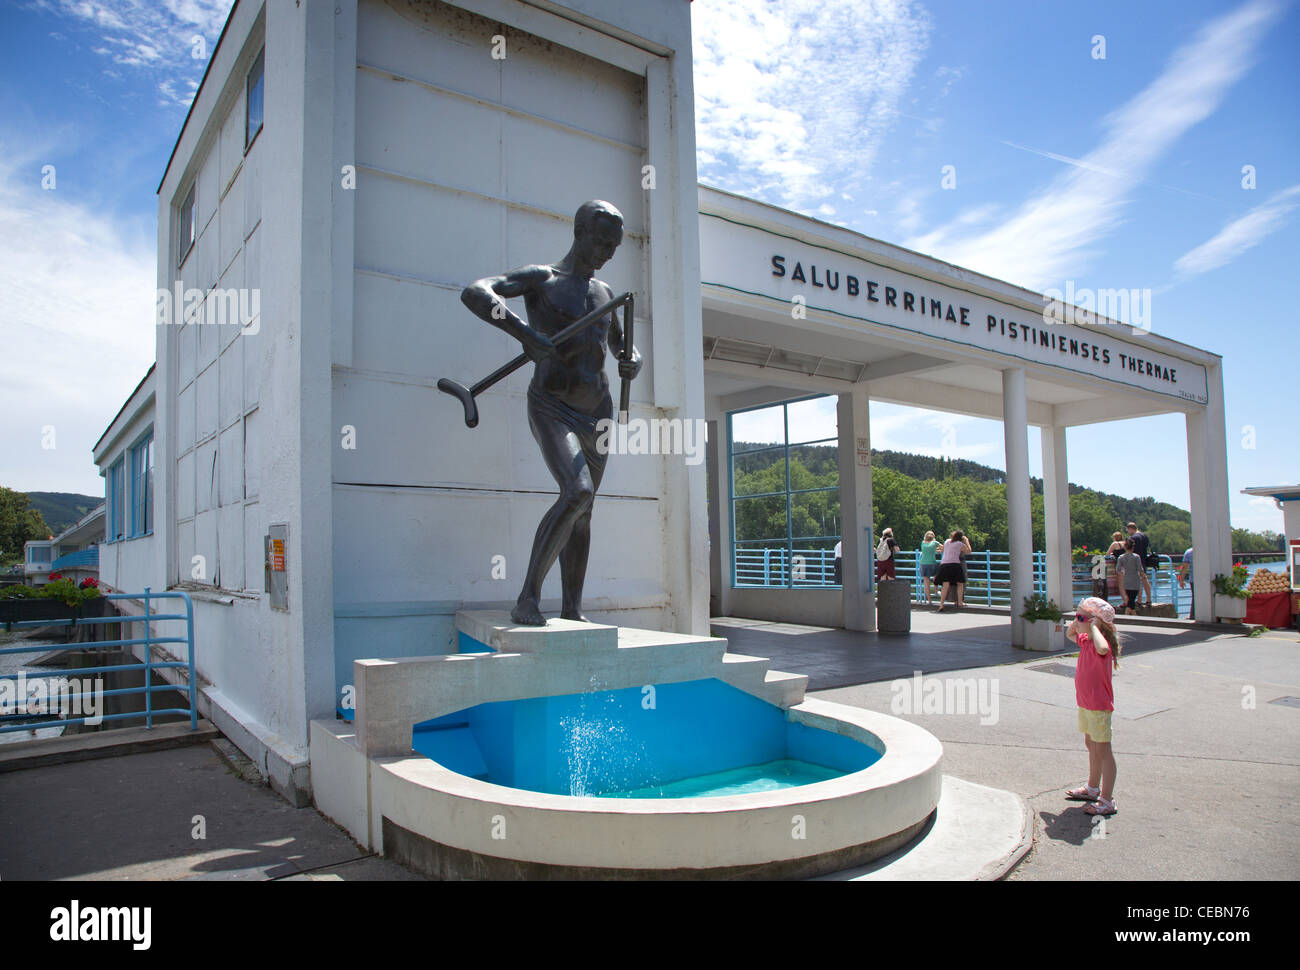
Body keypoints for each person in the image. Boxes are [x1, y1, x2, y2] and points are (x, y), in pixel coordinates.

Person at [461, 200, 641, 626]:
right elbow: (476, 291)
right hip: (552, 405)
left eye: (613, 246)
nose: (606, 253)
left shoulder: (605, 294)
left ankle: (573, 610)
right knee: (577, 491)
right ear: (578, 231)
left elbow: (620, 344)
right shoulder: (541, 279)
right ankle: (528, 597)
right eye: (601, 241)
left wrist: (633, 358)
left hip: (598, 410)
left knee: (585, 509)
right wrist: (522, 332)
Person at [1064, 596, 1121, 817]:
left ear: (1095, 622)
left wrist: (1095, 627)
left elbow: (1104, 649)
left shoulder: (1099, 644)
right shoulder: (1086, 640)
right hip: (1086, 703)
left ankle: (1107, 799)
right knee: (1091, 743)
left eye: (1080, 617)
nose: (1076, 621)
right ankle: (1092, 787)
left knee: (1103, 749)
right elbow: (1070, 634)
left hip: (1099, 706)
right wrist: (1077, 623)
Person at [936, 529, 971, 611]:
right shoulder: (960, 544)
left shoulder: (947, 541)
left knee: (945, 585)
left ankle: (941, 604)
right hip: (955, 564)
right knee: (960, 583)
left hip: (944, 564)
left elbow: (944, 550)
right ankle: (960, 602)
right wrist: (966, 541)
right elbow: (969, 551)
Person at [1124, 522, 1154, 606]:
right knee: (1144, 580)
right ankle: (1149, 599)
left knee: (1138, 581)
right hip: (1143, 560)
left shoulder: (1132, 538)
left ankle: (1139, 600)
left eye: (1128, 530)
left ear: (1130, 528)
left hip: (1135, 561)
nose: (1128, 532)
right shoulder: (1144, 536)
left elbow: (1129, 550)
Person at [1115, 538, 1143, 615]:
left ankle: (1133, 616)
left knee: (1130, 600)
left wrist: (1122, 573)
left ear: (1125, 547)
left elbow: (1118, 570)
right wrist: (1143, 576)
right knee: (1132, 600)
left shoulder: (1121, 557)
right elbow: (1140, 569)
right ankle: (1128, 616)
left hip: (1126, 580)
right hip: (1135, 580)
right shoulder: (1136, 557)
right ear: (1133, 547)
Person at [919, 530, 941, 604]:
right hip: (932, 563)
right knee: (936, 576)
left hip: (923, 564)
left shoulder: (923, 543)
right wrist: (938, 550)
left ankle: (929, 600)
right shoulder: (935, 543)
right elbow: (944, 548)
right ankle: (936, 591)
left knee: (926, 582)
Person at [1178, 546, 1194, 620]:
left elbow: (1184, 567)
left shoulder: (1189, 552)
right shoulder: (1206, 551)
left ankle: (1193, 616)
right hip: (1204, 579)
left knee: (1195, 598)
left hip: (1193, 579)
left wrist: (1181, 580)